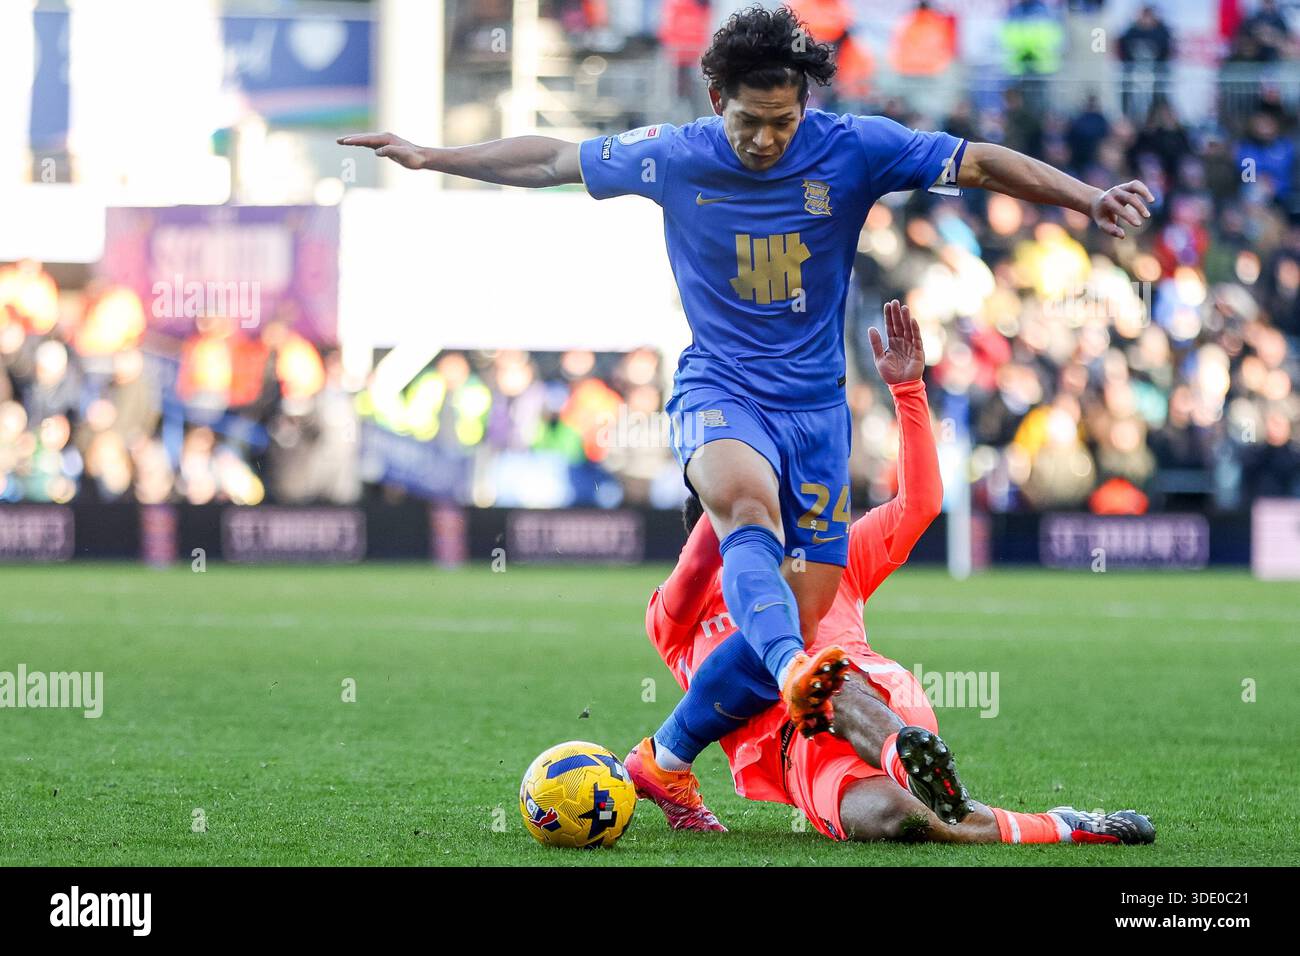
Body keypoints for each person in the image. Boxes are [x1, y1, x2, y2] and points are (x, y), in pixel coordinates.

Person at [340, 4, 1154, 743]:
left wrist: (1087, 199)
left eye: (782, 122)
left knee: (796, 613)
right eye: (748, 122)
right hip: (719, 390)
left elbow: (977, 163)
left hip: (818, 413)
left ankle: (665, 756)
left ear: (806, 105)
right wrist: (432, 155)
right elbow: (551, 157)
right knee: (744, 510)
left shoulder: (855, 148)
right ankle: (796, 671)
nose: (766, 140)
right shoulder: (673, 156)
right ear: (711, 96)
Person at [628, 303, 1156, 845]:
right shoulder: (674, 617)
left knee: (821, 678)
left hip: (865, 695)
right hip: (800, 759)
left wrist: (909, 393)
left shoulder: (826, 559)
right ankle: (1058, 826)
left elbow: (920, 505)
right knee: (896, 821)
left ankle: (901, 755)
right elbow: (699, 559)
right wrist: (734, 467)